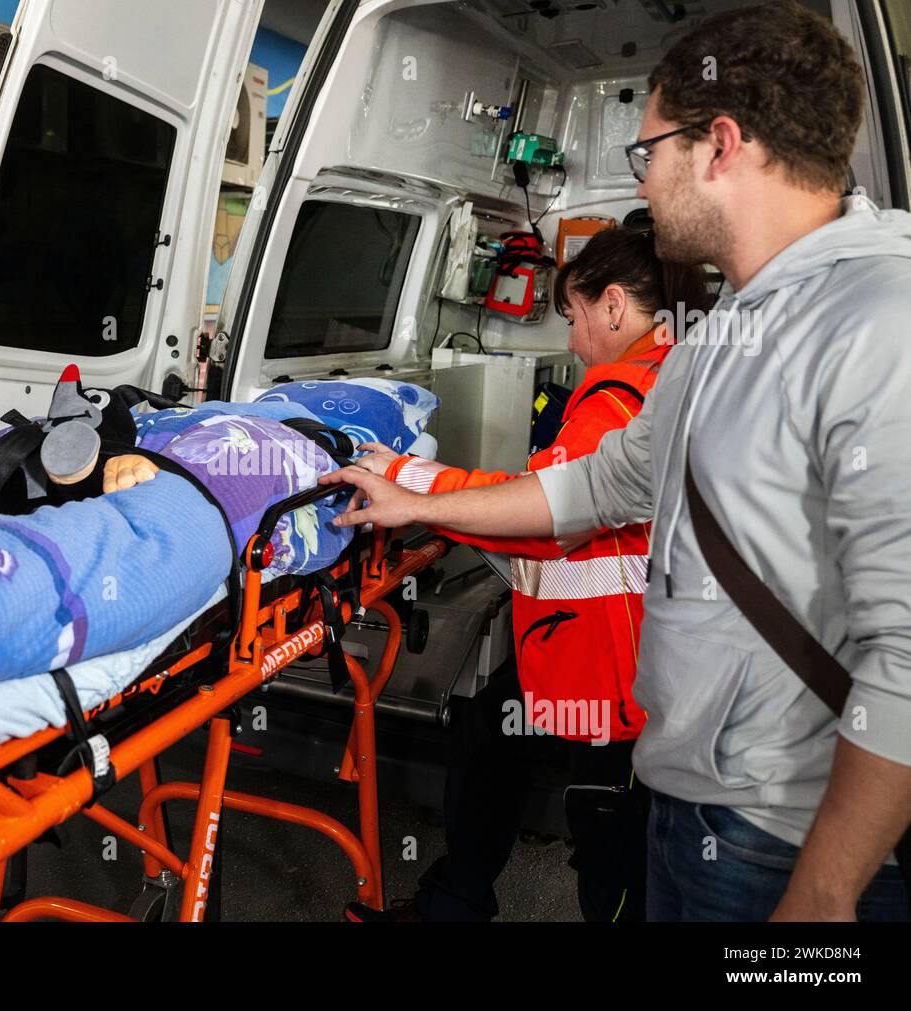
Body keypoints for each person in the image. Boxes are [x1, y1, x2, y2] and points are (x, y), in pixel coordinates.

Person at [324, 0, 911, 922]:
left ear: (718, 145)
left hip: (786, 844)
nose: (644, 181)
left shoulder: (881, 321)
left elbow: (907, 650)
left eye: (649, 153)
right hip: (691, 806)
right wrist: (410, 500)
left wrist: (826, 893)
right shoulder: (720, 340)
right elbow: (595, 487)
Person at [346, 228, 713, 921]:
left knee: (615, 863)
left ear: (612, 307)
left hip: (628, 681)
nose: (571, 342)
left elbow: (544, 517)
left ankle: (467, 900)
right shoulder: (675, 374)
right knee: (490, 728)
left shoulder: (617, 401)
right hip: (604, 652)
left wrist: (406, 484)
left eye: (572, 318)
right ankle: (456, 899)